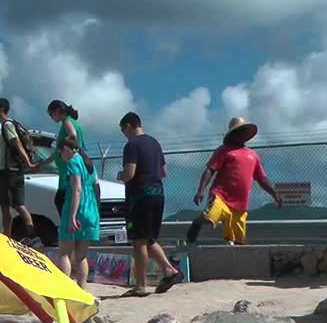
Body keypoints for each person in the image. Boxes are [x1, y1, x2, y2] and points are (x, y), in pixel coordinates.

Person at [188, 117, 283, 246]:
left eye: (244, 131)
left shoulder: (253, 155)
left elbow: (261, 178)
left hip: (241, 203)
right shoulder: (224, 150)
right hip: (221, 196)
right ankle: (197, 223)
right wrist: (201, 191)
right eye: (239, 131)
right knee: (210, 217)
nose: (242, 134)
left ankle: (233, 256)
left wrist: (274, 193)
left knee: (238, 240)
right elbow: (210, 169)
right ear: (233, 134)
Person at [118, 112, 182, 296]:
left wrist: (121, 175)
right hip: (158, 193)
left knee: (138, 242)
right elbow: (164, 172)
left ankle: (140, 286)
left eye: (123, 130)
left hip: (140, 196)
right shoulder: (155, 143)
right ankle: (169, 270)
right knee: (149, 238)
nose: (124, 134)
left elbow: (130, 173)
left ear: (129, 126)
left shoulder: (131, 145)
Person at [56, 137, 100, 289]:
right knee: (81, 256)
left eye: (60, 151)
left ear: (66, 149)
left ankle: (63, 289)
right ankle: (82, 289)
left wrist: (72, 216)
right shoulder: (89, 163)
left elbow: (77, 189)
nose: (60, 155)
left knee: (64, 253)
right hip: (90, 209)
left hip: (76, 207)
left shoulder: (73, 162)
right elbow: (96, 185)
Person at [0, 97, 34, 237]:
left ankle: (7, 236)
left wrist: (28, 163)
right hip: (16, 171)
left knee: (5, 206)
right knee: (18, 205)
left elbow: (17, 145)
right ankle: (32, 235)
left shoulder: (7, 125)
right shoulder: (12, 124)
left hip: (8, 172)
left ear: (1, 109)